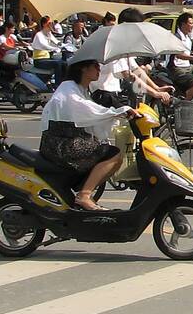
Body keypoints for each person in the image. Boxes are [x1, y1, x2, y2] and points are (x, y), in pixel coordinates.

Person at [39, 57, 138, 212]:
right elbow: (86, 110)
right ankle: (84, 195)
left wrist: (118, 113)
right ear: (83, 68)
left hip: (69, 139)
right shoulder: (69, 89)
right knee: (112, 155)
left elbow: (90, 114)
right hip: (60, 144)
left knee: (109, 151)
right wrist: (117, 111)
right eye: (95, 66)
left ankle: (84, 193)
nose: (99, 70)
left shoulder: (82, 88)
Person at [164, 13, 193, 101]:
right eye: (191, 23)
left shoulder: (188, 37)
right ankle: (185, 104)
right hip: (177, 69)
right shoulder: (176, 37)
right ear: (183, 24)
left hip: (188, 67)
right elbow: (179, 55)